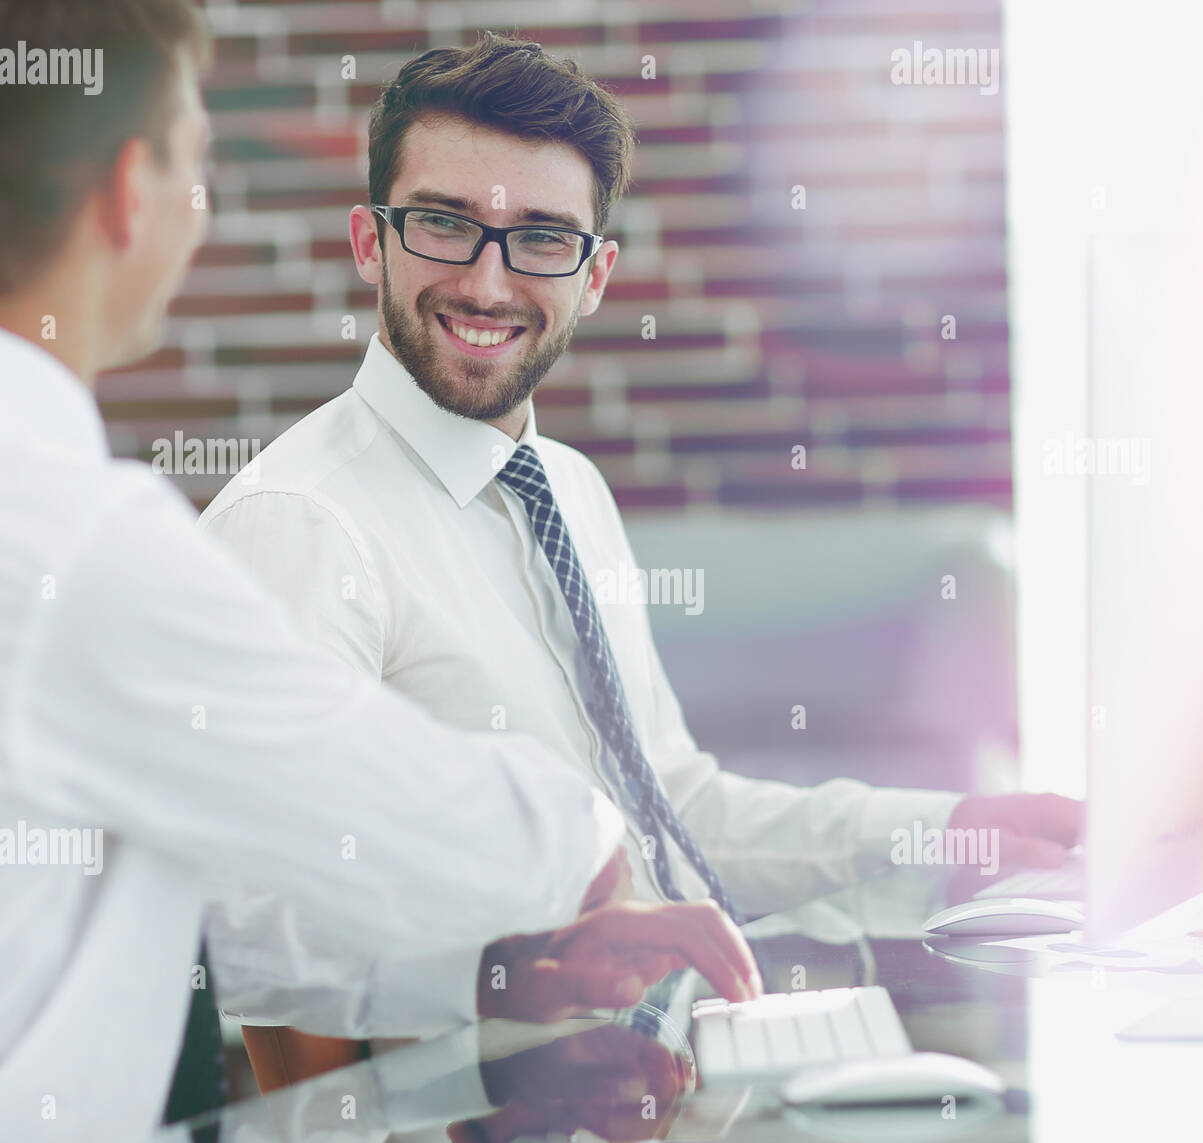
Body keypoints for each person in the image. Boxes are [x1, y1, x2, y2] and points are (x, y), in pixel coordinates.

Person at [200, 33, 1083, 1071]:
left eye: (539, 238)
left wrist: (950, 838)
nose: (486, 282)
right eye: (444, 225)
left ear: (597, 274)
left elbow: (677, 813)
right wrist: (520, 977)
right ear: (369, 241)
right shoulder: (300, 524)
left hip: (650, 1102)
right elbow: (256, 936)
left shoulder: (568, 489)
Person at [0, 0, 759, 1143]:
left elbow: (224, 909)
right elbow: (360, 796)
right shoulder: (78, 540)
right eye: (198, 159)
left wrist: (499, 974)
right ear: (129, 192)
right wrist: (583, 853)